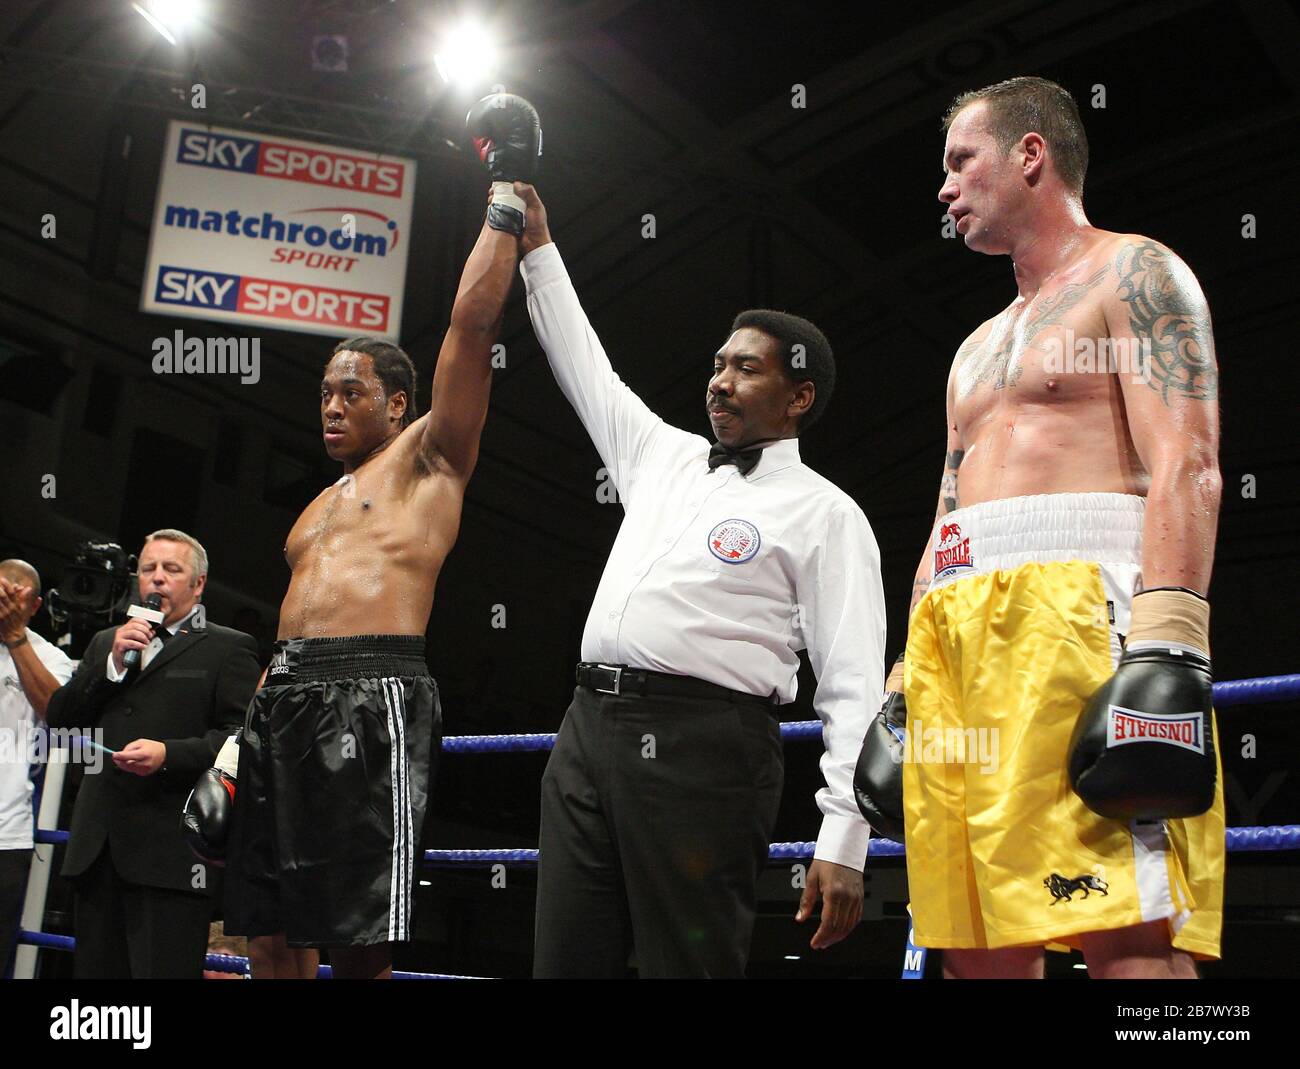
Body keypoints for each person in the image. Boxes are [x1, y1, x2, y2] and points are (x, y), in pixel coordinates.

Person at [890, 76, 1223, 978]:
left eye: (962, 161)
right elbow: (945, 511)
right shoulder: (971, 348)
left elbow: (1187, 463)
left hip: (1080, 615)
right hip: (957, 631)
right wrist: (903, 677)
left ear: (1029, 154)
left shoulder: (1134, 272)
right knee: (974, 939)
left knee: (1125, 930)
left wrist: (1169, 645)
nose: (944, 186)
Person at [514, 184, 886, 978]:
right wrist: (539, 245)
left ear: (798, 396)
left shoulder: (828, 514)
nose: (719, 380)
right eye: (718, 364)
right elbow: (582, 363)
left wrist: (844, 836)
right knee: (564, 961)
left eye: (746, 369)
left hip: (707, 750)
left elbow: (853, 688)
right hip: (586, 727)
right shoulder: (663, 454)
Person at [223, 94, 540, 980]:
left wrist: (505, 196)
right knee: (267, 927)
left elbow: (471, 326)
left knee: (359, 933)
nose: (330, 404)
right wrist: (238, 728)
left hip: (372, 692)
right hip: (279, 697)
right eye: (324, 391)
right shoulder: (313, 510)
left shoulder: (430, 457)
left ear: (397, 403)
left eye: (350, 392)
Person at [44, 531, 260, 978]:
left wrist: (169, 754)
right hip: (97, 848)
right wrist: (111, 667)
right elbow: (61, 720)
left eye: (171, 570)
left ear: (198, 584)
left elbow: (243, 738)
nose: (157, 579)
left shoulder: (227, 647)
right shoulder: (109, 641)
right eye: (148, 569)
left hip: (172, 855)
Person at [0, 559, 76, 972]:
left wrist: (14, 639)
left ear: (34, 605)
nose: (5, 600)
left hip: (5, 833)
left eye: (16, 594)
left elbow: (55, 711)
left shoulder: (51, 657)